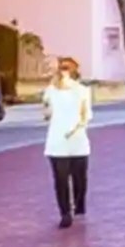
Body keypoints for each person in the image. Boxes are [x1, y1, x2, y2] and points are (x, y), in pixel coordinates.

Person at [43, 58, 93, 229]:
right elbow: (46, 112)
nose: (64, 71)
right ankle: (65, 213)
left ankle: (78, 206)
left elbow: (87, 114)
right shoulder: (51, 90)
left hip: (78, 140)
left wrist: (78, 126)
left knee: (80, 180)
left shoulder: (82, 91)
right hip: (57, 141)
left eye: (67, 68)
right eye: (62, 68)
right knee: (61, 179)